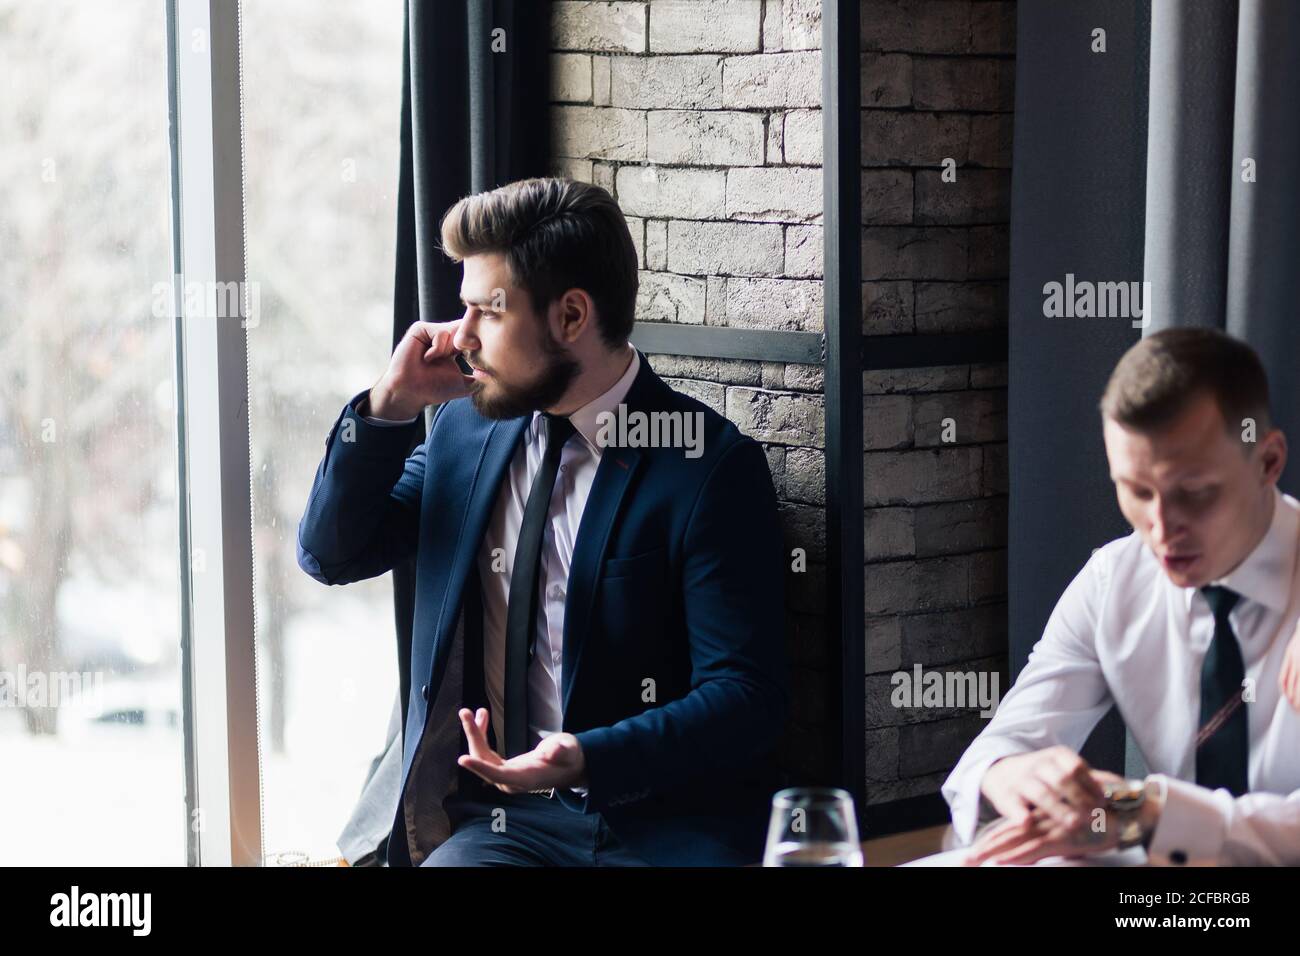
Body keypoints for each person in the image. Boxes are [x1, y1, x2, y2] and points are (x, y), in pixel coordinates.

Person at [296, 177, 789, 866]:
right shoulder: (463, 433)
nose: (460, 336)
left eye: (486, 313)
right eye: (462, 309)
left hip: (660, 830)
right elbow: (331, 555)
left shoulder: (707, 467)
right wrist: (387, 407)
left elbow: (746, 697)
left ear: (570, 317)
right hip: (502, 828)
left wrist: (586, 758)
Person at [943, 327, 1300, 866]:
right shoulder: (1115, 580)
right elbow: (995, 754)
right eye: (1136, 490)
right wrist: (1013, 774)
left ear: (1268, 462)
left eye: (1195, 492)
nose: (1161, 527)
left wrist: (1147, 813)